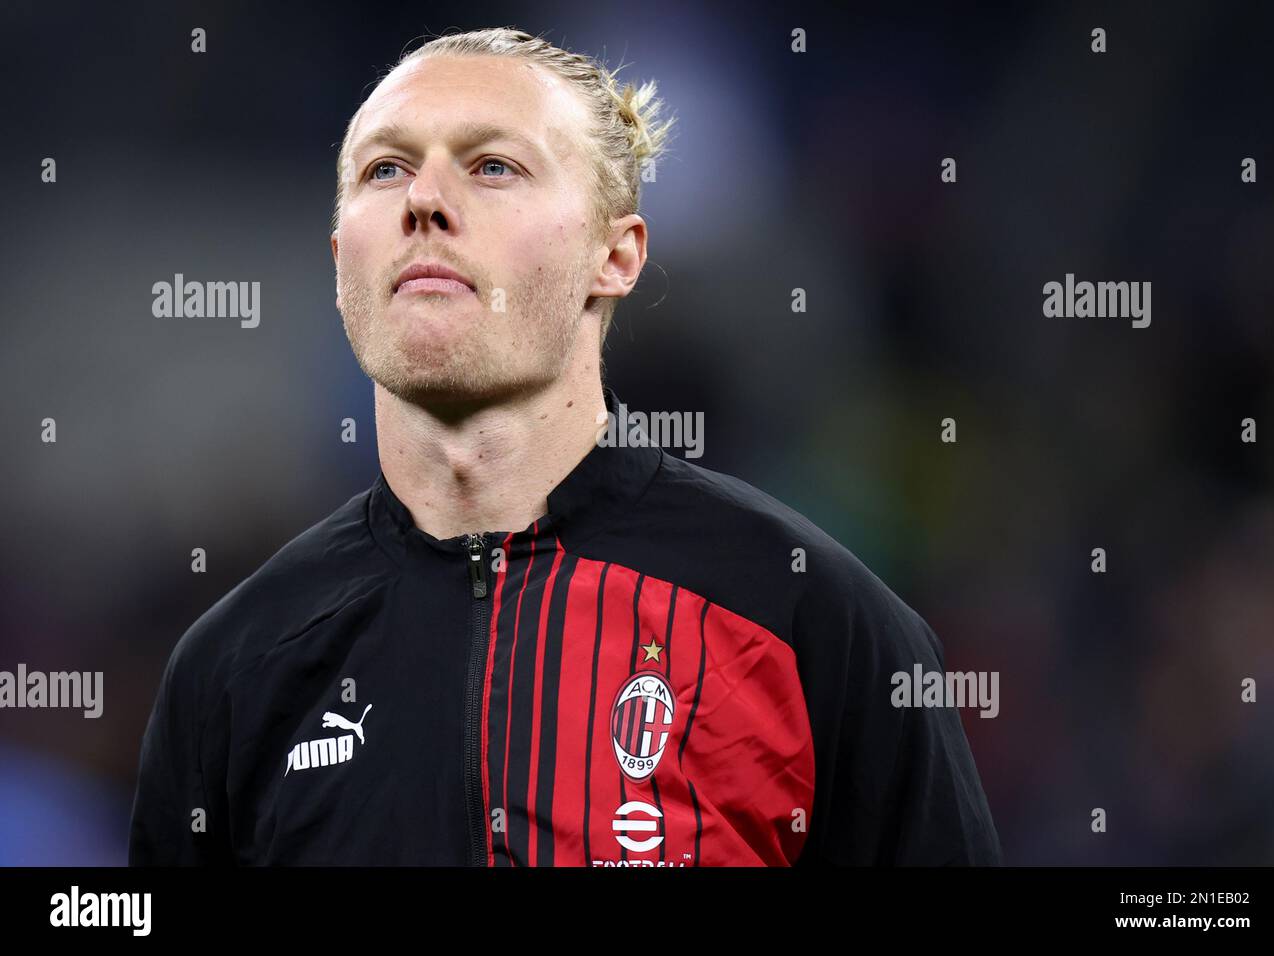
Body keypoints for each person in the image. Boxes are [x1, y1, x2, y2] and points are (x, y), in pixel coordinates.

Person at [128, 26, 1001, 866]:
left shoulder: (812, 623)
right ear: (339, 260)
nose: (424, 202)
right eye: (385, 169)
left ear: (614, 256)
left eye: (493, 166)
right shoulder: (235, 666)